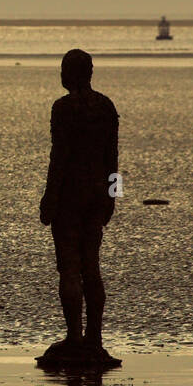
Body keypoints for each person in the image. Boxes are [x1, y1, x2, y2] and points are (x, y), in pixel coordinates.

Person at [38, 49, 120, 366]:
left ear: (73, 73)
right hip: (98, 195)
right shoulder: (105, 106)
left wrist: (49, 198)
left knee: (71, 267)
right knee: (91, 267)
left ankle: (77, 337)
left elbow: (59, 158)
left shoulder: (64, 108)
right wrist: (111, 197)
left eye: (63, 69)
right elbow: (113, 159)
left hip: (71, 196)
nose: (60, 74)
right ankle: (94, 338)